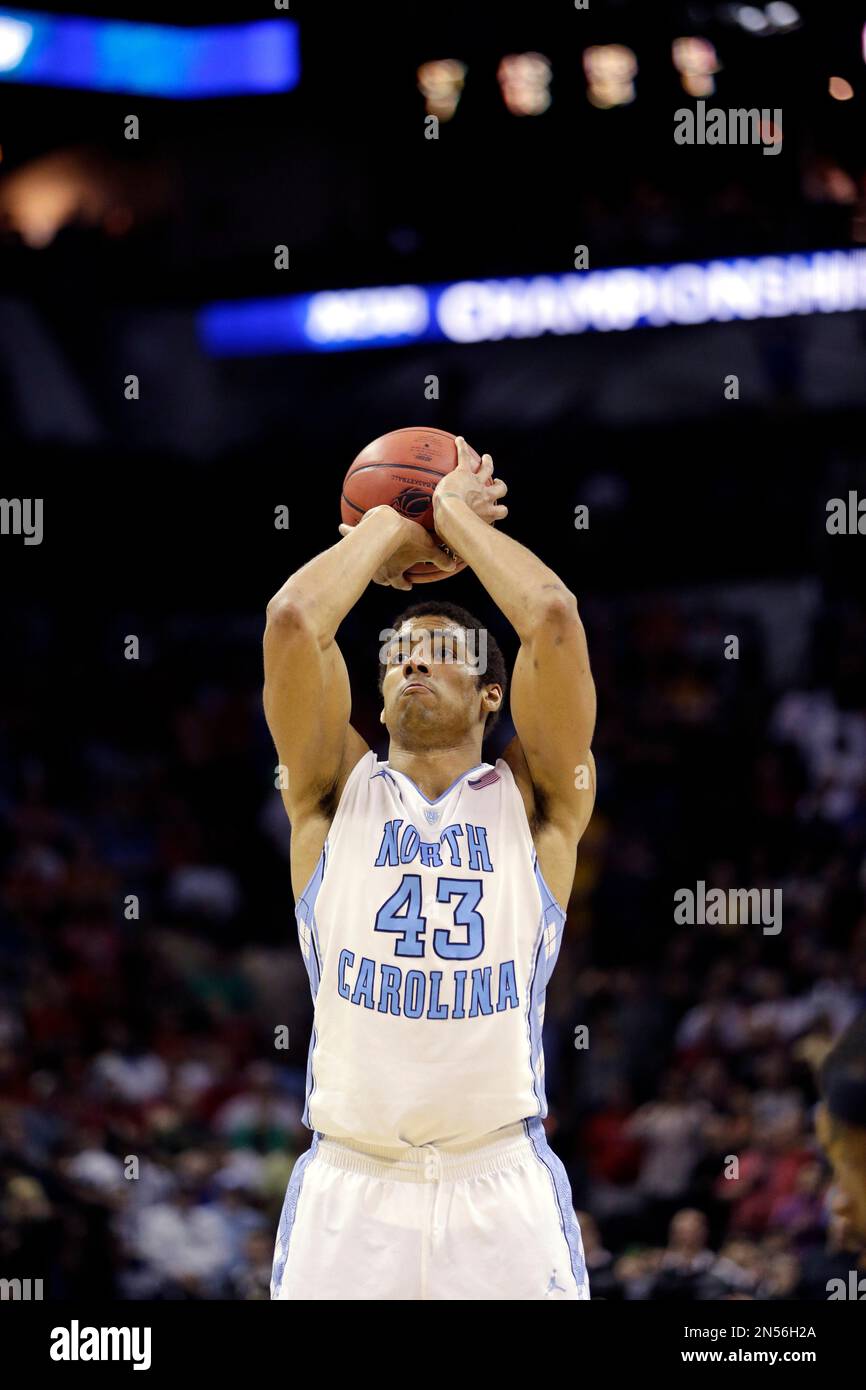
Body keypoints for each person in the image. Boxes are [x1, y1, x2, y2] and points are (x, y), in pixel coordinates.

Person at [264, 438, 596, 1300]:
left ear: (495, 694)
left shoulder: (535, 802)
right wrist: (383, 524)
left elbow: (553, 617)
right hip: (350, 1188)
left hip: (500, 1188)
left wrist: (447, 515)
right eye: (399, 651)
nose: (413, 657)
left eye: (443, 648)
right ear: (374, 694)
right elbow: (296, 621)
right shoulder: (332, 794)